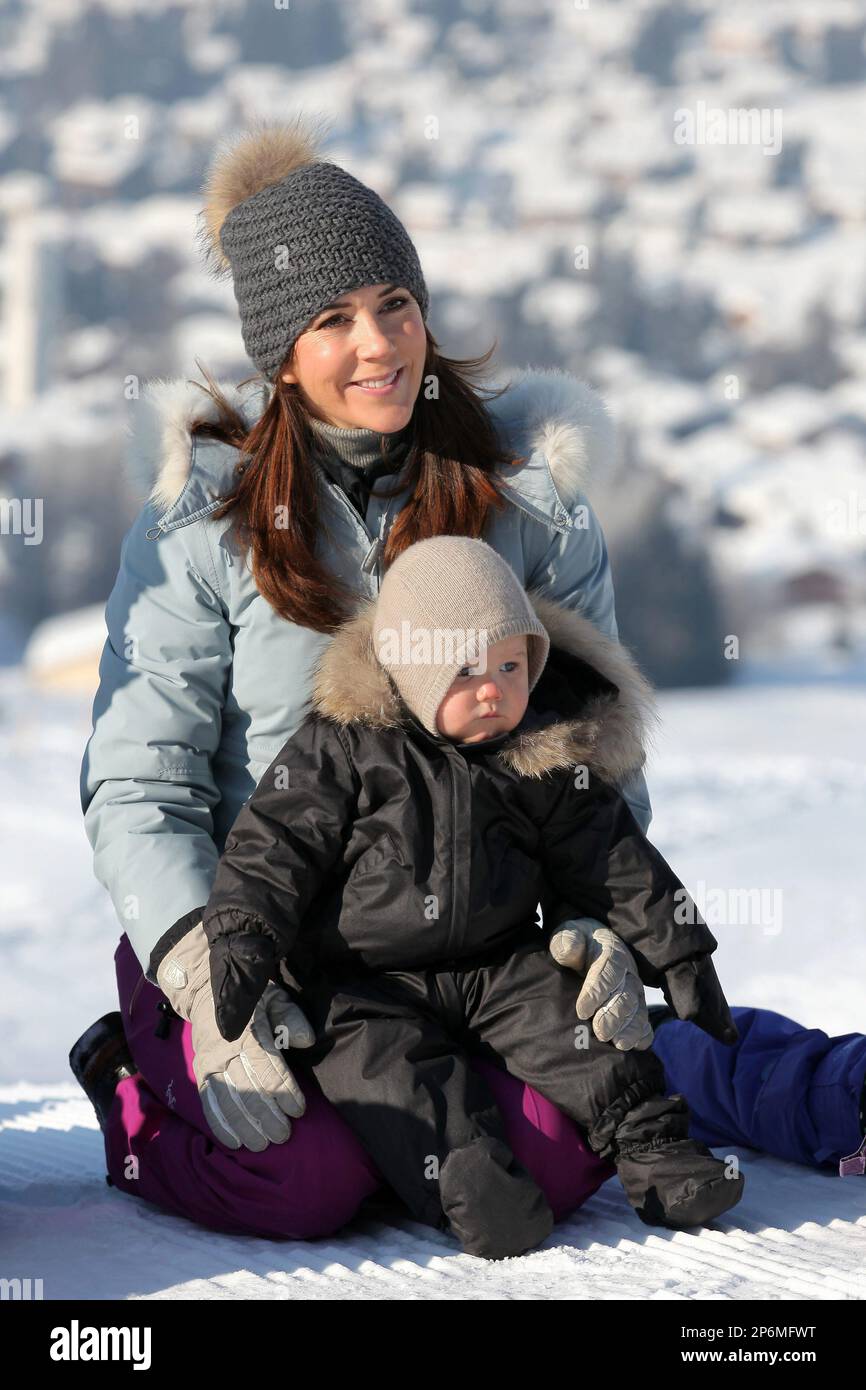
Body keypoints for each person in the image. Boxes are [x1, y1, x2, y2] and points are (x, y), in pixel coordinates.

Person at [70, 114, 866, 1242]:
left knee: (558, 1149)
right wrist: (201, 966)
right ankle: (139, 1088)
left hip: (465, 946)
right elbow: (138, 783)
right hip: (257, 937)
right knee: (304, 1184)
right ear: (278, 353)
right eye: (332, 319)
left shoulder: (521, 502)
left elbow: (591, 752)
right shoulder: (206, 529)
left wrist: (595, 926)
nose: (377, 344)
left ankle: (789, 1083)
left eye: (395, 303)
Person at [186, 534, 746, 1258]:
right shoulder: (343, 749)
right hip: (362, 982)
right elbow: (273, 845)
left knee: (578, 1028)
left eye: (512, 665)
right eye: (468, 670)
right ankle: (465, 1177)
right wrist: (242, 934)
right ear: (414, 673)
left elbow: (611, 858)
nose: (495, 689)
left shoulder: (537, 752)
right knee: (394, 1074)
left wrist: (678, 952)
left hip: (498, 965)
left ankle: (656, 1149)